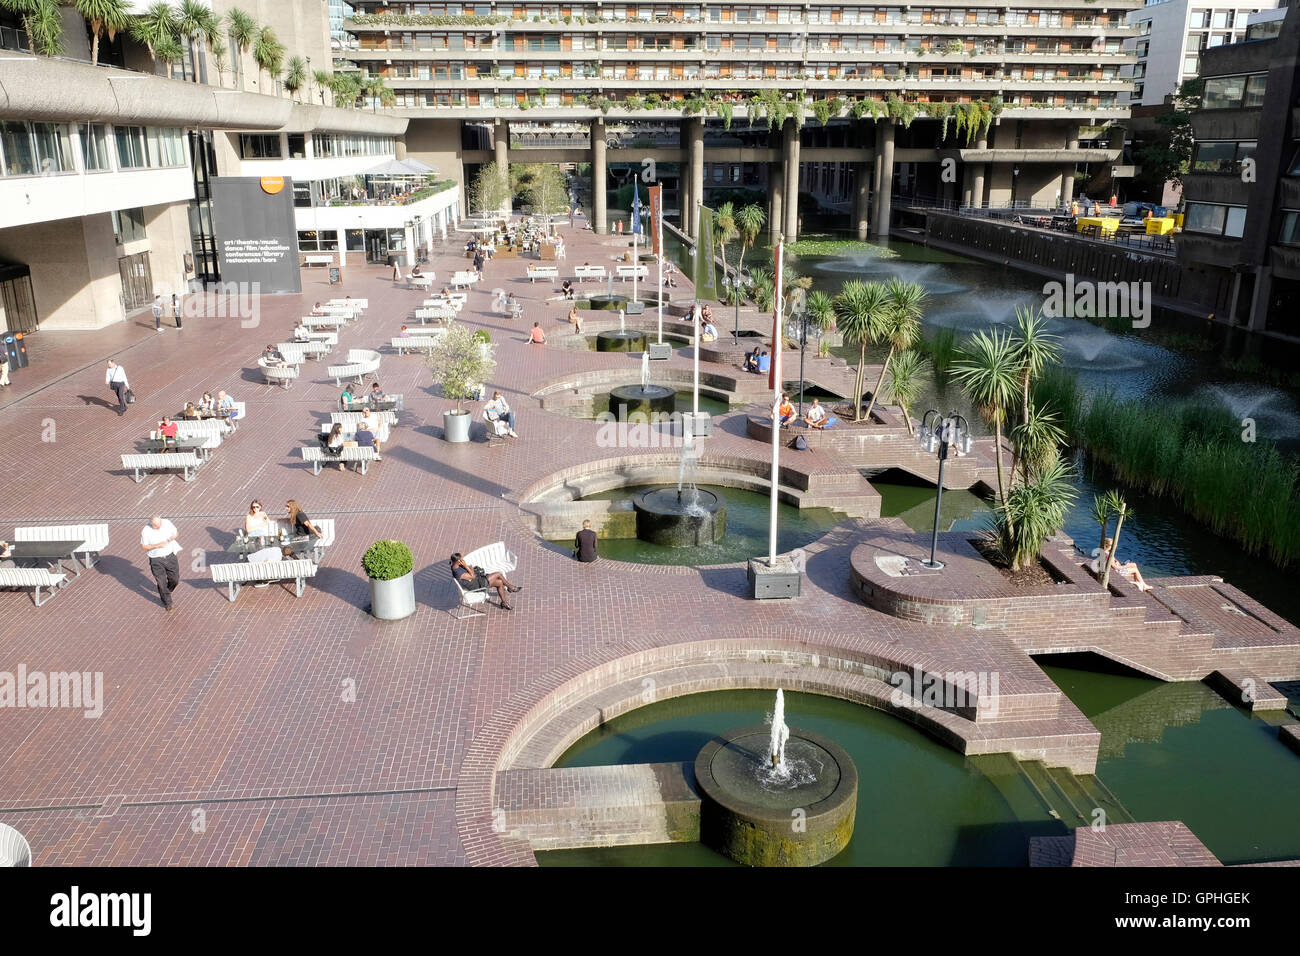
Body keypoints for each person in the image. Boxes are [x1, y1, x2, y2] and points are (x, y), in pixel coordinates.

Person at [448, 552, 521, 611]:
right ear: (458, 561)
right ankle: (511, 587)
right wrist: (467, 566)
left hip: (476, 580)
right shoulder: (458, 573)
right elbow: (472, 576)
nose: (463, 560)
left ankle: (504, 603)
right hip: (476, 585)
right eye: (462, 559)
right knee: (498, 574)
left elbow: (471, 572)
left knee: (500, 582)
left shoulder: (455, 565)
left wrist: (469, 569)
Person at [140, 515, 181, 612]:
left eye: (159, 524)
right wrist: (158, 545)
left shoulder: (167, 523)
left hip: (170, 556)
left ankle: (167, 590)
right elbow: (144, 547)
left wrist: (168, 540)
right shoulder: (146, 531)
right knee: (161, 582)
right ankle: (168, 603)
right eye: (156, 526)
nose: (158, 527)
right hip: (156, 559)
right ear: (151, 524)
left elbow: (176, 534)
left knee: (175, 579)